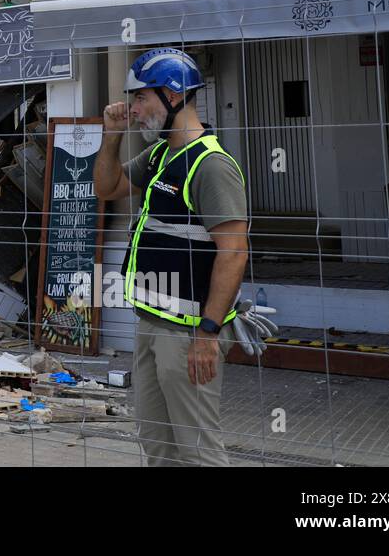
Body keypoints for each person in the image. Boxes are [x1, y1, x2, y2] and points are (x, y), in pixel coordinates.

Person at [93, 47, 249, 467]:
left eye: (142, 98)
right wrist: (112, 136)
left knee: (198, 451)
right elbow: (107, 189)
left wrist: (208, 333)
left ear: (174, 96)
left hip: (188, 335)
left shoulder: (210, 165)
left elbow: (233, 253)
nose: (134, 108)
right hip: (151, 324)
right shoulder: (163, 155)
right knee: (159, 448)